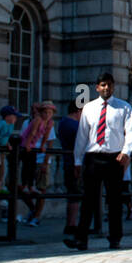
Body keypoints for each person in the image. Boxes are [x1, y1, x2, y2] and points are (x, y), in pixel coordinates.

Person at [67, 73, 132, 251]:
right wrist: (77, 160)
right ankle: (81, 239)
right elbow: (82, 136)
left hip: (114, 158)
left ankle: (115, 238)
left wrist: (126, 151)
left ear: (114, 87)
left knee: (114, 200)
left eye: (110, 85)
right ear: (97, 87)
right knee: (88, 199)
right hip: (93, 157)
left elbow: (131, 131)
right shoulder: (89, 109)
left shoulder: (123, 108)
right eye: (103, 85)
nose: (107, 88)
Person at [18, 100, 57, 226]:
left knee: (41, 187)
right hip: (28, 155)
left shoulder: (49, 123)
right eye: (34, 109)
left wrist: (46, 161)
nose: (35, 111)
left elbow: (49, 141)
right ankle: (33, 210)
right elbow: (26, 136)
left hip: (40, 158)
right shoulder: (28, 122)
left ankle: (36, 215)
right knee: (21, 186)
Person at [56, 100, 83, 235]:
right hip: (75, 162)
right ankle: (72, 224)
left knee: (72, 194)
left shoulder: (62, 122)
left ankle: (70, 223)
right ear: (78, 111)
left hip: (68, 161)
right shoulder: (75, 125)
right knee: (75, 194)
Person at [0, 105, 22, 193]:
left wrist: (8, 144)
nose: (16, 118)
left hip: (2, 147)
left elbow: (5, 137)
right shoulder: (2, 123)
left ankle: (0, 184)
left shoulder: (11, 126)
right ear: (7, 116)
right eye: (14, 116)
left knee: (2, 166)